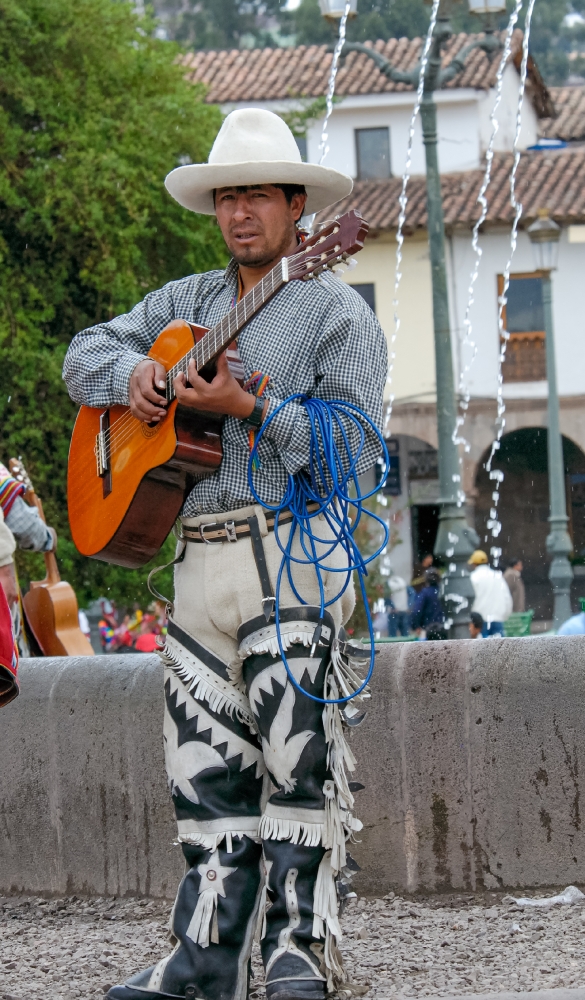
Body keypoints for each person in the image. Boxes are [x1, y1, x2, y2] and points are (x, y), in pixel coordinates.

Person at [63, 108, 386, 1000]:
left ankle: (298, 955)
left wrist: (255, 411)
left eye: (257, 197)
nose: (240, 213)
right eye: (226, 197)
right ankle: (203, 956)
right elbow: (81, 352)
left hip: (294, 557)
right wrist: (126, 376)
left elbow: (356, 457)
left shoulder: (334, 315)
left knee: (298, 763)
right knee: (202, 774)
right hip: (196, 562)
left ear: (297, 210)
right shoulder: (182, 305)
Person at [468, 550, 513, 638]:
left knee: (481, 650)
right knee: (500, 649)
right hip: (497, 618)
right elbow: (507, 597)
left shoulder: (472, 577)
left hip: (480, 621)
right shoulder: (497, 576)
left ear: (474, 564)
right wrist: (505, 615)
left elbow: (469, 599)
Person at [410, 568, 444, 634]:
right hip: (443, 628)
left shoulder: (425, 593)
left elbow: (417, 610)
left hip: (428, 628)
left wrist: (416, 626)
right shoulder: (443, 592)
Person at [385, 570, 410, 637]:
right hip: (403, 610)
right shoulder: (402, 581)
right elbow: (412, 593)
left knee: (392, 637)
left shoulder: (388, 583)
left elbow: (386, 597)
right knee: (405, 635)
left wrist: (393, 607)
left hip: (393, 612)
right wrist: (409, 605)